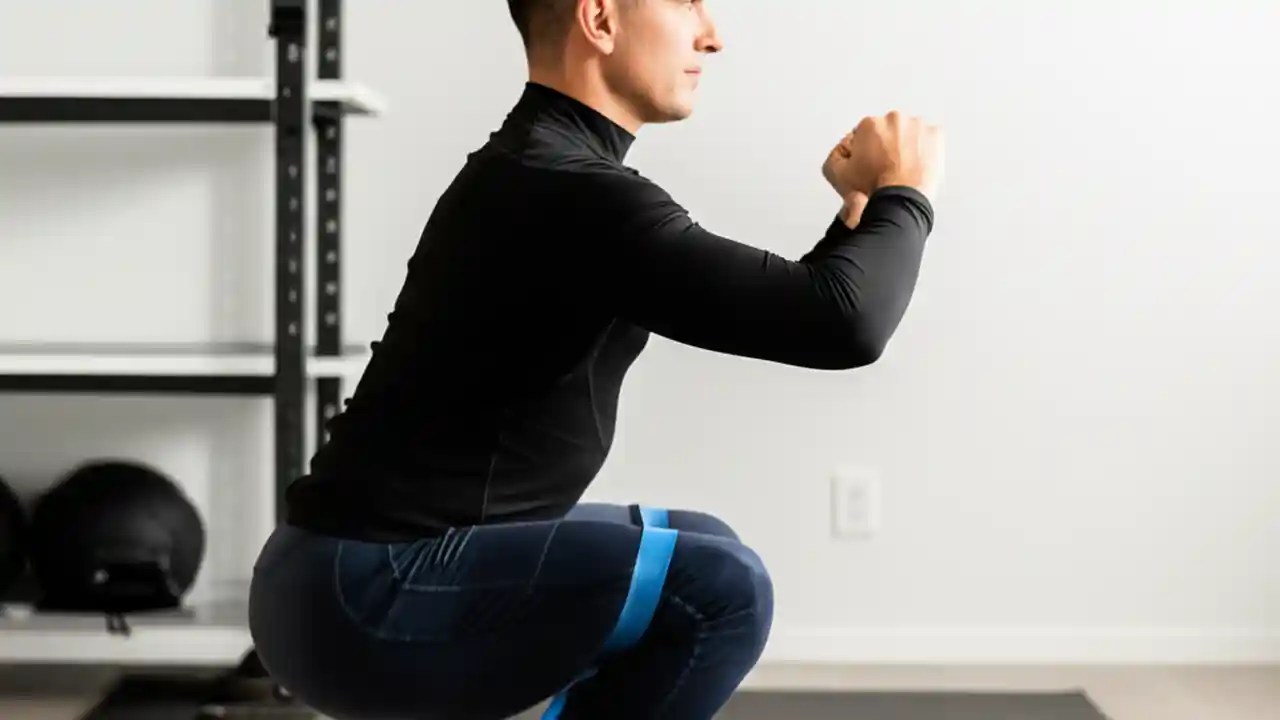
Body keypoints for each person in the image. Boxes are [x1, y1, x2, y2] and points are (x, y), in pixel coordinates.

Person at [247, 0, 944, 718]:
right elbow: (842, 324)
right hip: (363, 596)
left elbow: (817, 313)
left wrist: (863, 211)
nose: (712, 35)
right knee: (718, 587)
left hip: (337, 586)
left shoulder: (547, 172)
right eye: (685, 4)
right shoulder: (568, 190)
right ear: (600, 20)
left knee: (703, 545)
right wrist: (908, 191)